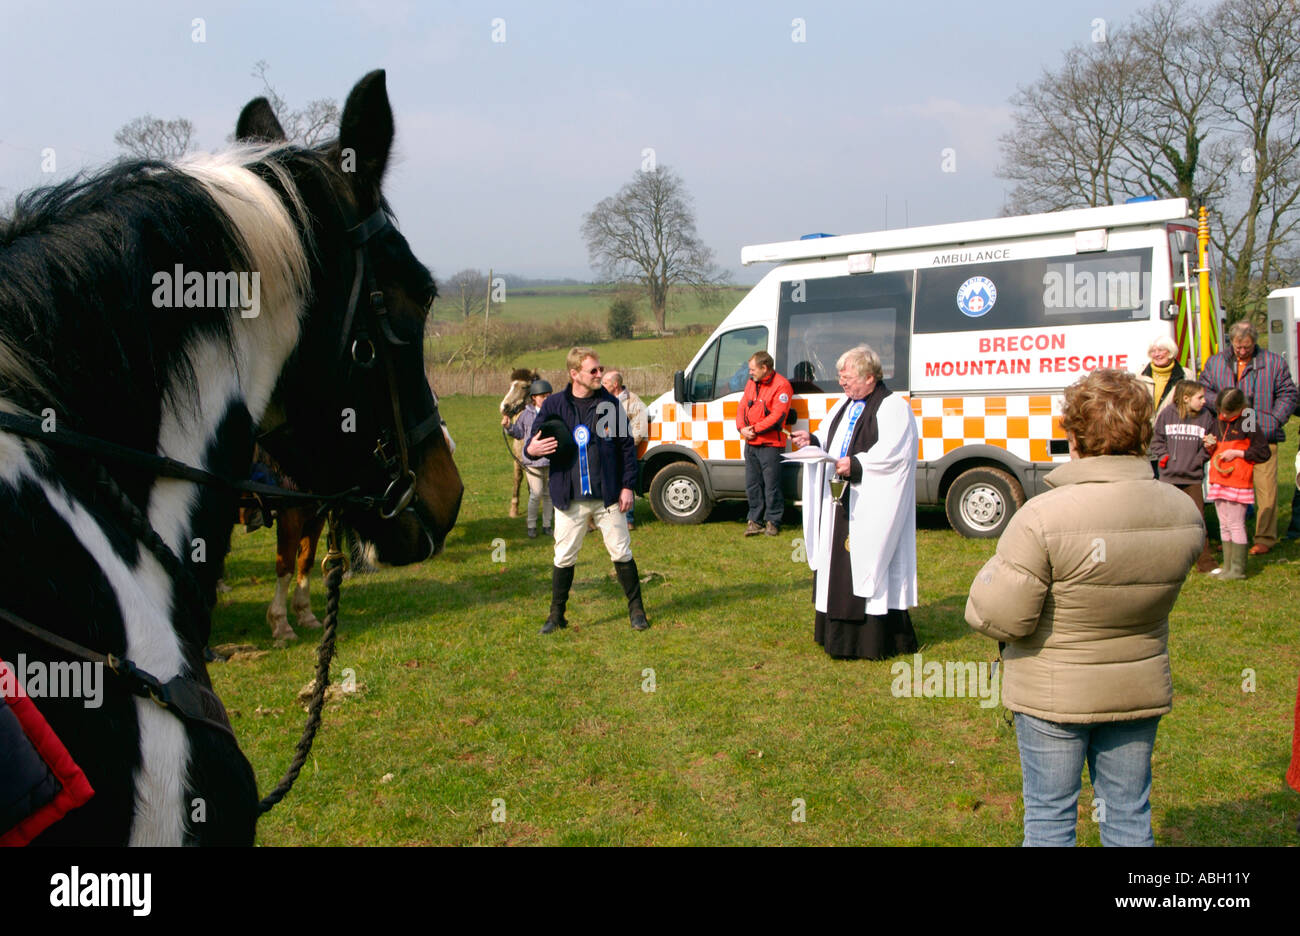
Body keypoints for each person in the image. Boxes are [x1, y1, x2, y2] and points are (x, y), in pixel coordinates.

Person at [965, 369, 1204, 847]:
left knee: (1050, 820)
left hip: (1054, 692)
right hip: (1136, 685)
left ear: (1074, 435)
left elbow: (1000, 614)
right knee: (1129, 815)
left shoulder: (1043, 515)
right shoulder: (1183, 512)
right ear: (1142, 433)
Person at [790, 345, 918, 661]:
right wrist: (812, 441)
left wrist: (857, 465)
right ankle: (837, 634)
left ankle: (870, 639)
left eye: (847, 378)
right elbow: (829, 436)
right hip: (841, 502)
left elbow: (894, 456)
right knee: (837, 565)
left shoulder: (893, 408)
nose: (842, 384)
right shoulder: (846, 404)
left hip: (872, 504)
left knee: (866, 565)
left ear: (870, 377)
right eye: (840, 378)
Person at [525, 347, 648, 635]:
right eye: (593, 371)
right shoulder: (554, 405)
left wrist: (628, 485)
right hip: (569, 499)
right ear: (574, 374)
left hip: (608, 498)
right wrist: (531, 449)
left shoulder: (609, 404)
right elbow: (534, 441)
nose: (599, 374)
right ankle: (556, 616)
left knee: (622, 553)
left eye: (600, 369)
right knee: (564, 557)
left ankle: (637, 610)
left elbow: (626, 449)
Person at [1199, 321, 1298, 555]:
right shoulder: (1216, 362)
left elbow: (1288, 393)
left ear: (1255, 342)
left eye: (1247, 347)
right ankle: (1233, 534)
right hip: (1228, 435)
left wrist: (1273, 421)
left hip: (1262, 433)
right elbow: (1203, 390)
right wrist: (1224, 405)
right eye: (1238, 346)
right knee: (1230, 488)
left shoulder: (1274, 362)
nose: (1242, 351)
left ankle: (1265, 537)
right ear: (1230, 342)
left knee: (1266, 489)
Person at [1149, 379, 1218, 572]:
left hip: (1192, 479)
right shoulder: (1167, 415)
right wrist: (1164, 457)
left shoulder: (1207, 417)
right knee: (1167, 521)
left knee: (1198, 520)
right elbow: (1157, 440)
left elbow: (1211, 444)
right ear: (1186, 398)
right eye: (1200, 397)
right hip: (1169, 479)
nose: (1204, 401)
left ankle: (1205, 563)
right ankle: (1167, 563)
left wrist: (1200, 458)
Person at [1205, 387, 1271, 580]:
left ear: (1241, 408)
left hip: (1238, 481)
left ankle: (1238, 569)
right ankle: (1228, 566)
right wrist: (1209, 446)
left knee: (1235, 524)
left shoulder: (1248, 418)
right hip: (1218, 479)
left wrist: (1238, 453)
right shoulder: (1218, 419)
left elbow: (1262, 451)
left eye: (1228, 412)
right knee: (1223, 524)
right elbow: (1214, 444)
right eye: (1221, 411)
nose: (1224, 415)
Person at [737, 351, 793, 537]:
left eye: (753, 369)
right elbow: (742, 406)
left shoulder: (782, 386)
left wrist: (754, 429)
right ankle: (754, 520)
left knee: (772, 485)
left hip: (771, 444)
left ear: (764, 368)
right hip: (751, 442)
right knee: (752, 484)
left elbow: (777, 416)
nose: (750, 372)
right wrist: (741, 428)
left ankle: (773, 521)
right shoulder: (752, 383)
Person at [501, 378, 553, 538]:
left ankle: (547, 525)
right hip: (533, 462)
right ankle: (531, 525)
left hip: (550, 461)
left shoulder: (554, 413)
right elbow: (518, 433)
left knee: (548, 495)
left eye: (548, 395)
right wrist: (509, 426)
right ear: (534, 398)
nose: (546, 398)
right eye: (543, 396)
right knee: (536, 493)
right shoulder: (525, 415)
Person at [601, 369, 647, 530]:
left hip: (624, 451)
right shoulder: (601, 399)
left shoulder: (633, 401)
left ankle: (628, 519)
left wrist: (625, 445)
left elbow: (640, 428)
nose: (602, 385)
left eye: (605, 382)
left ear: (615, 384)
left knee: (626, 484)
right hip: (606, 450)